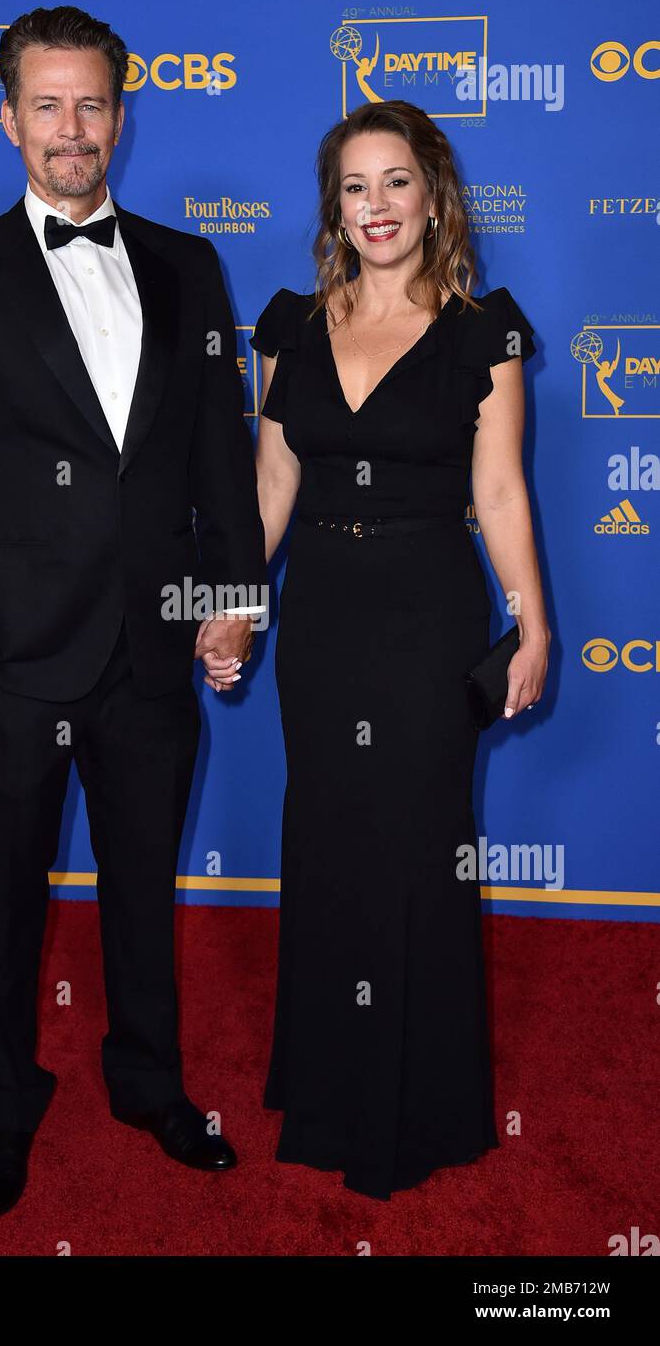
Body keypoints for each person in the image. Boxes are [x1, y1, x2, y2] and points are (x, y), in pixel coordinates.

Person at [0, 4, 267, 1217]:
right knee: (6, 894)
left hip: (155, 645)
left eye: (91, 103)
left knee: (142, 885)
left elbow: (220, 454)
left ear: (121, 115)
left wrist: (227, 598)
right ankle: (3, 1105)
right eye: (46, 105)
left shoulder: (188, 265)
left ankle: (149, 1085)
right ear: (7, 120)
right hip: (10, 651)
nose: (71, 128)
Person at [249, 99, 550, 1199]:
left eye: (393, 184)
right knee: (325, 840)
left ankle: (418, 1100)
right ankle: (326, 1081)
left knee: (420, 843)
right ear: (333, 207)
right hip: (321, 618)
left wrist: (531, 620)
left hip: (426, 616)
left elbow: (500, 488)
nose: (373, 207)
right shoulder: (287, 323)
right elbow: (270, 485)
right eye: (352, 187)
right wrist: (234, 598)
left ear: (433, 197)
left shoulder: (483, 330)